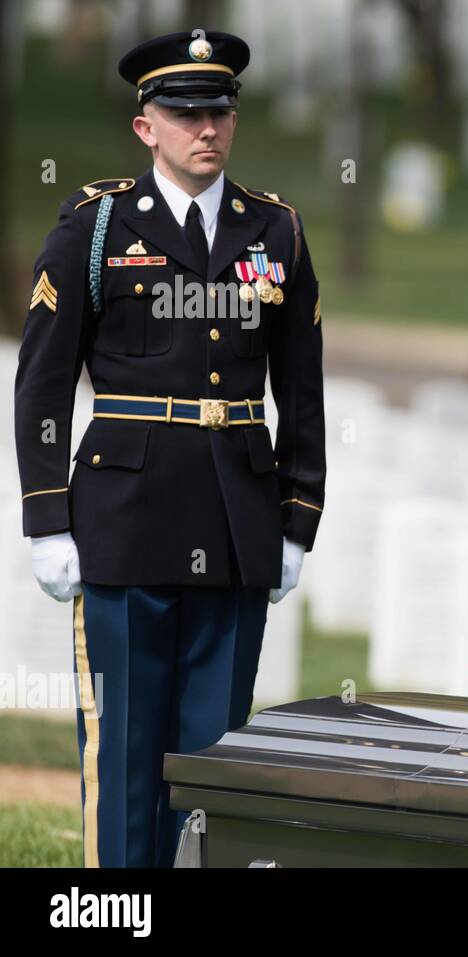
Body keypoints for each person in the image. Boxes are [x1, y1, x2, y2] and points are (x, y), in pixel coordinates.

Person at [13, 30, 326, 867]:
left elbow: (300, 389)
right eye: (184, 113)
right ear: (144, 126)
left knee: (213, 763)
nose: (207, 128)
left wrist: (298, 517)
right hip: (122, 525)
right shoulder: (97, 226)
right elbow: (42, 383)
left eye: (219, 110)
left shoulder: (277, 233)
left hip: (234, 523)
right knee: (122, 759)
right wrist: (47, 519)